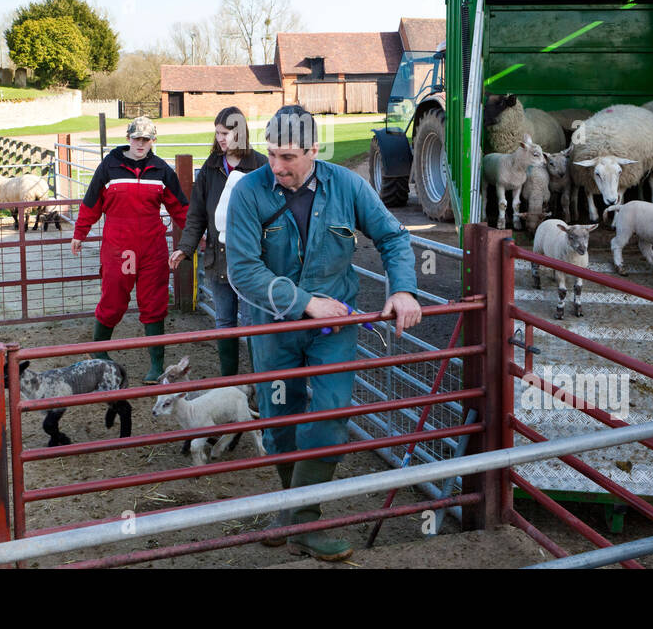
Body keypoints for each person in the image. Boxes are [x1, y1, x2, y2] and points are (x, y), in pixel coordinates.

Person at [225, 105, 421, 561]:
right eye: (272, 154)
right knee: (279, 421)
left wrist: (405, 289)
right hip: (273, 324)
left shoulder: (347, 186)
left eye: (288, 157)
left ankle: (303, 520)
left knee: (331, 412)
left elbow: (392, 237)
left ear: (314, 150)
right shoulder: (249, 193)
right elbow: (242, 270)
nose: (276, 166)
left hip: (334, 325)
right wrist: (304, 302)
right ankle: (292, 510)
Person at [71, 116, 189, 383]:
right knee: (113, 299)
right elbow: (91, 203)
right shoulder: (109, 167)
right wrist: (80, 233)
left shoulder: (162, 171)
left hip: (152, 248)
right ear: (128, 139)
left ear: (153, 142)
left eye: (146, 139)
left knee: (155, 302)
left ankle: (156, 365)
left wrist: (195, 238)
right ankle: (98, 352)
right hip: (118, 247)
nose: (140, 143)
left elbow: (180, 208)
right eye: (136, 138)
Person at [168, 106, 266, 376]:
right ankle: (230, 382)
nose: (221, 139)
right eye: (218, 133)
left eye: (226, 133)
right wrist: (185, 248)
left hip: (251, 260)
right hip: (218, 259)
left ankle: (261, 382)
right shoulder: (211, 169)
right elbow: (197, 214)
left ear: (240, 132)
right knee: (224, 321)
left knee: (252, 322)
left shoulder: (260, 166)